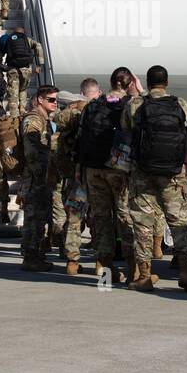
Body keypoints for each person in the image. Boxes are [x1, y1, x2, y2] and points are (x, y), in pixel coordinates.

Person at [122, 65, 187, 292]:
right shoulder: (180, 103)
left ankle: (144, 275)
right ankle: (185, 272)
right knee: (178, 222)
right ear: (167, 81)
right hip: (174, 173)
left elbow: (126, 128)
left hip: (142, 172)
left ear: (147, 81)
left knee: (143, 225)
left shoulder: (135, 104)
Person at [78, 67, 141, 285]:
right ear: (130, 83)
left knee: (102, 218)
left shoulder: (93, 105)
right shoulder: (131, 105)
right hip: (119, 169)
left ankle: (106, 272)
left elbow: (81, 136)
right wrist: (138, 93)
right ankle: (134, 270)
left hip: (93, 169)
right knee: (126, 217)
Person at [49, 78, 101, 275]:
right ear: (98, 92)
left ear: (82, 91)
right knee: (100, 217)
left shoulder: (74, 109)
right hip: (99, 173)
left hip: (76, 173)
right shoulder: (105, 108)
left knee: (74, 216)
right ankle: (100, 263)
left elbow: (57, 120)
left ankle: (72, 261)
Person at [20, 85, 60, 272]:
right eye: (51, 99)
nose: (55, 103)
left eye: (56, 99)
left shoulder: (44, 119)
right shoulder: (33, 119)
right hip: (36, 177)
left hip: (42, 176)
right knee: (34, 218)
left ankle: (35, 254)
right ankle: (30, 256)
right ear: (39, 100)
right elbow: (32, 148)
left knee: (39, 217)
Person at [0, 27, 44, 111]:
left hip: (12, 69)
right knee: (23, 89)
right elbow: (38, 45)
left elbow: (1, 52)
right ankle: (22, 107)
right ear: (24, 33)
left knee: (13, 91)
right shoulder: (27, 40)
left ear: (13, 32)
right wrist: (40, 64)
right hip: (26, 69)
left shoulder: (9, 40)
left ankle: (13, 113)